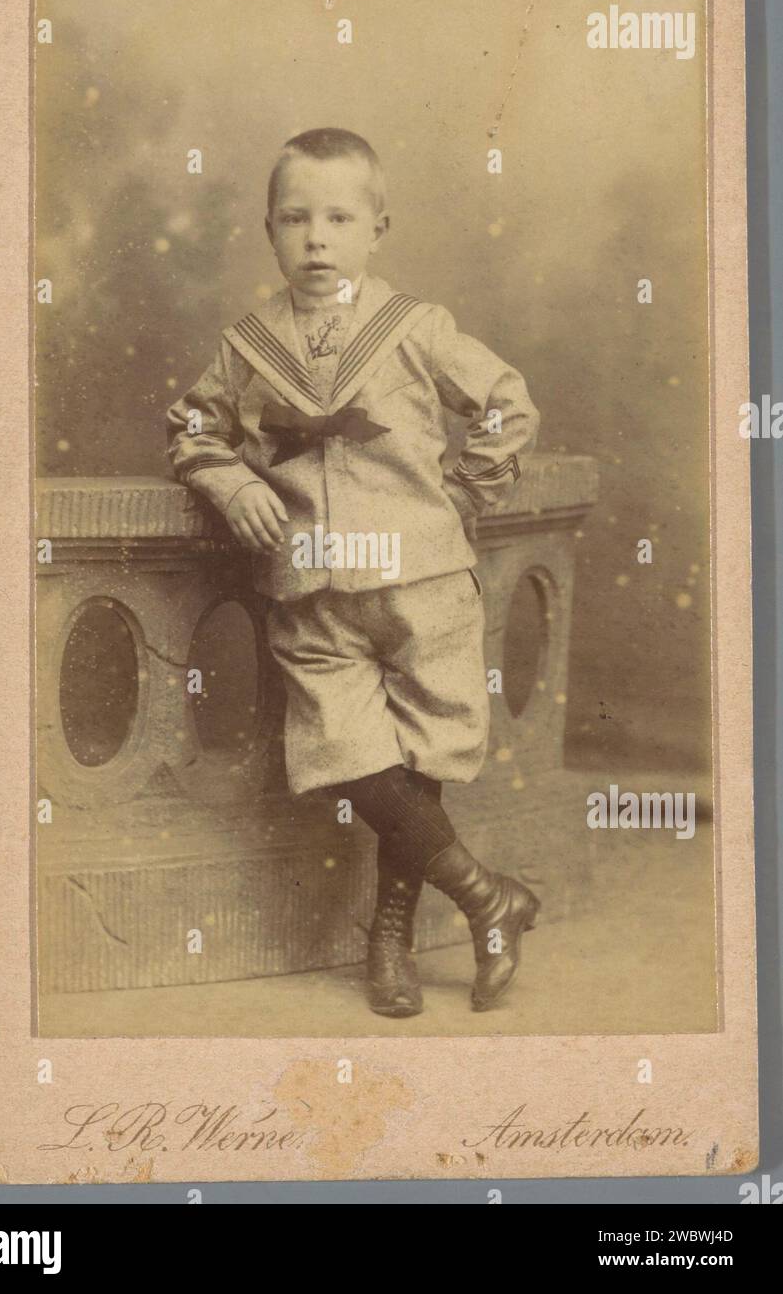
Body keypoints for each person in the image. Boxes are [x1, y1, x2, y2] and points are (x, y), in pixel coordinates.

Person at [166, 128, 541, 1018]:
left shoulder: (415, 329)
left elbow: (505, 402)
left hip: (422, 588)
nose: (316, 238)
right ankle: (490, 897)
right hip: (311, 598)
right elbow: (191, 425)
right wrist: (224, 479)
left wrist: (462, 495)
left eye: (339, 217)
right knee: (354, 760)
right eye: (294, 218)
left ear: (378, 225)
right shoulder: (249, 343)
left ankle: (390, 940)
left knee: (417, 765)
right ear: (268, 230)